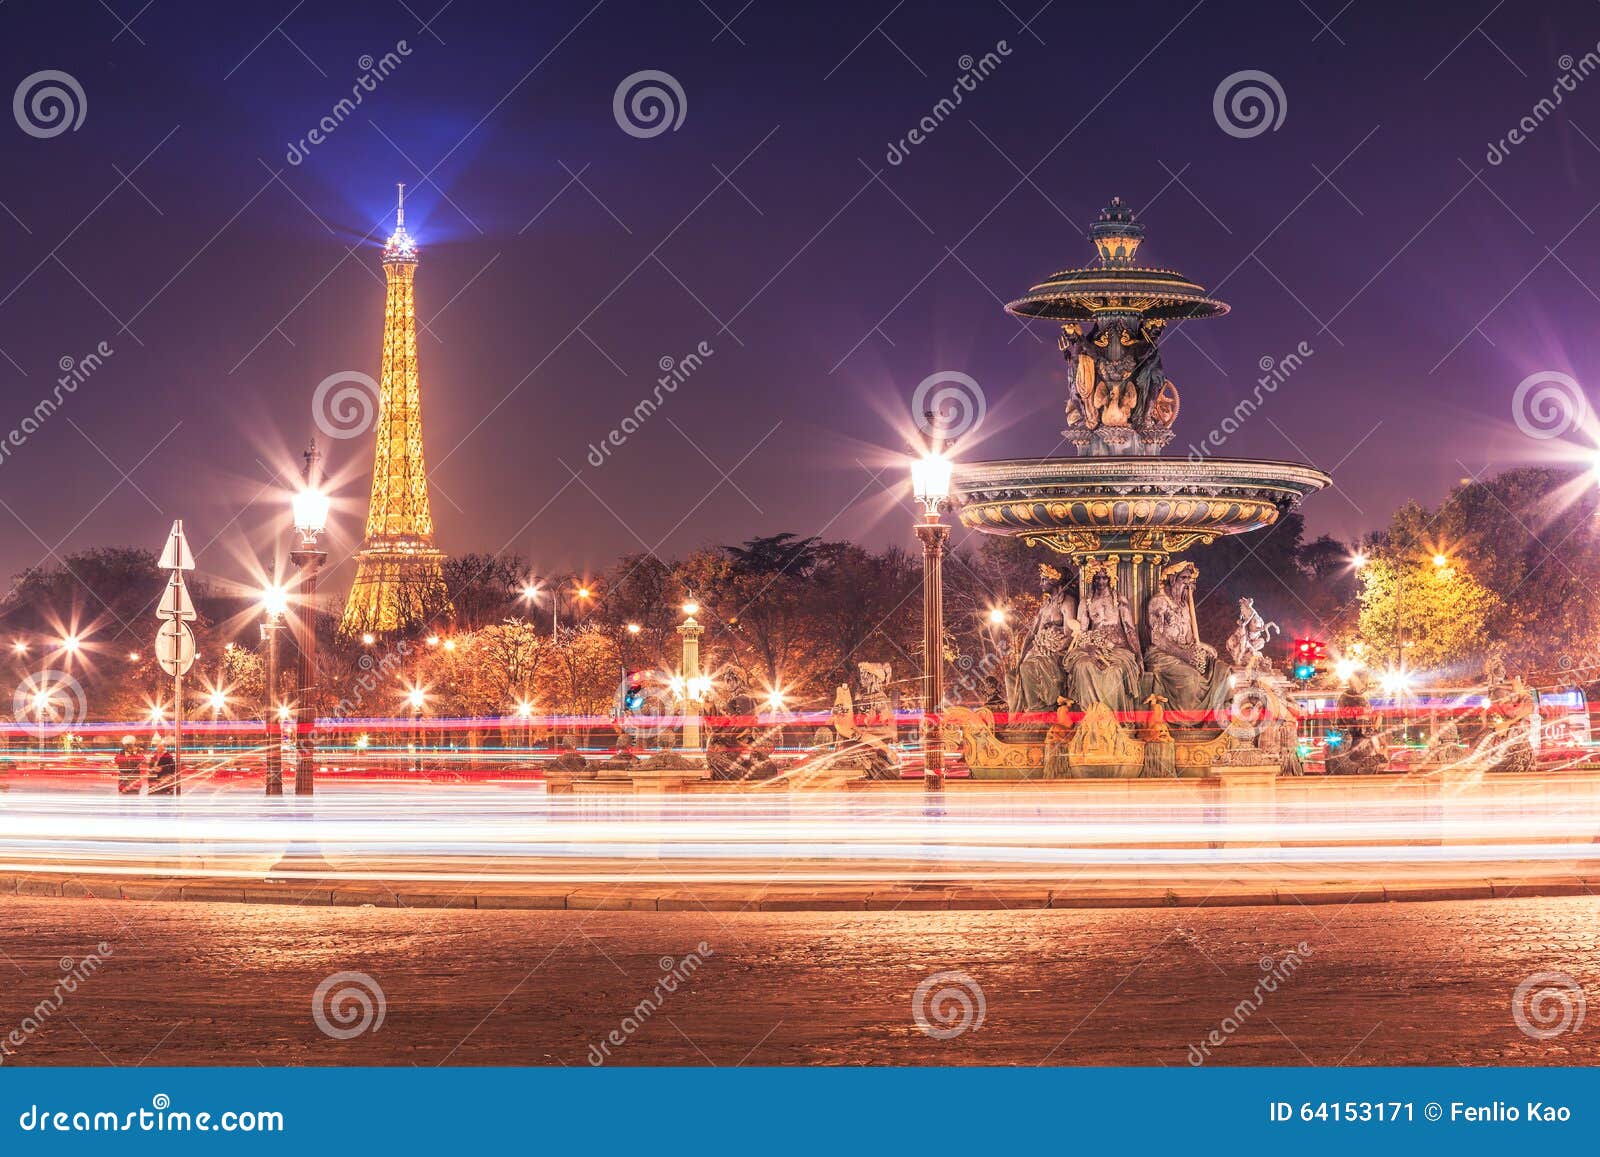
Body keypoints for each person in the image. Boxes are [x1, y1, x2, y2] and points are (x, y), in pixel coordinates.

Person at [1064, 561, 1143, 721]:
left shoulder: (1119, 600)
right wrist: (1090, 648)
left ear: (1110, 579)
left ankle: (1113, 720)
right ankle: (1090, 718)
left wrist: (1138, 655)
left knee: (1114, 671)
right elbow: (1082, 632)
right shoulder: (1086, 602)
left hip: (1118, 646)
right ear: (1092, 580)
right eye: (1097, 578)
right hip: (1093, 645)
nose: (1100, 582)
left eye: (1104, 578)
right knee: (1082, 666)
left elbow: (1129, 629)